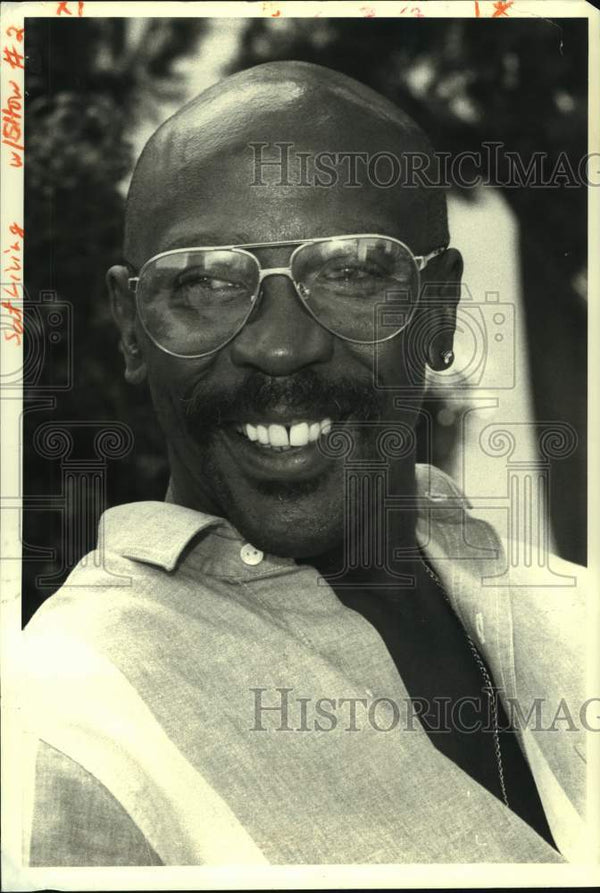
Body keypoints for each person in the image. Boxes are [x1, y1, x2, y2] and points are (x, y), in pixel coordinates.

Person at [22, 61, 587, 866]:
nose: (280, 346)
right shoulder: (65, 725)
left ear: (442, 309)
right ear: (129, 326)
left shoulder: (575, 617)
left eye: (354, 270)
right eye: (206, 282)